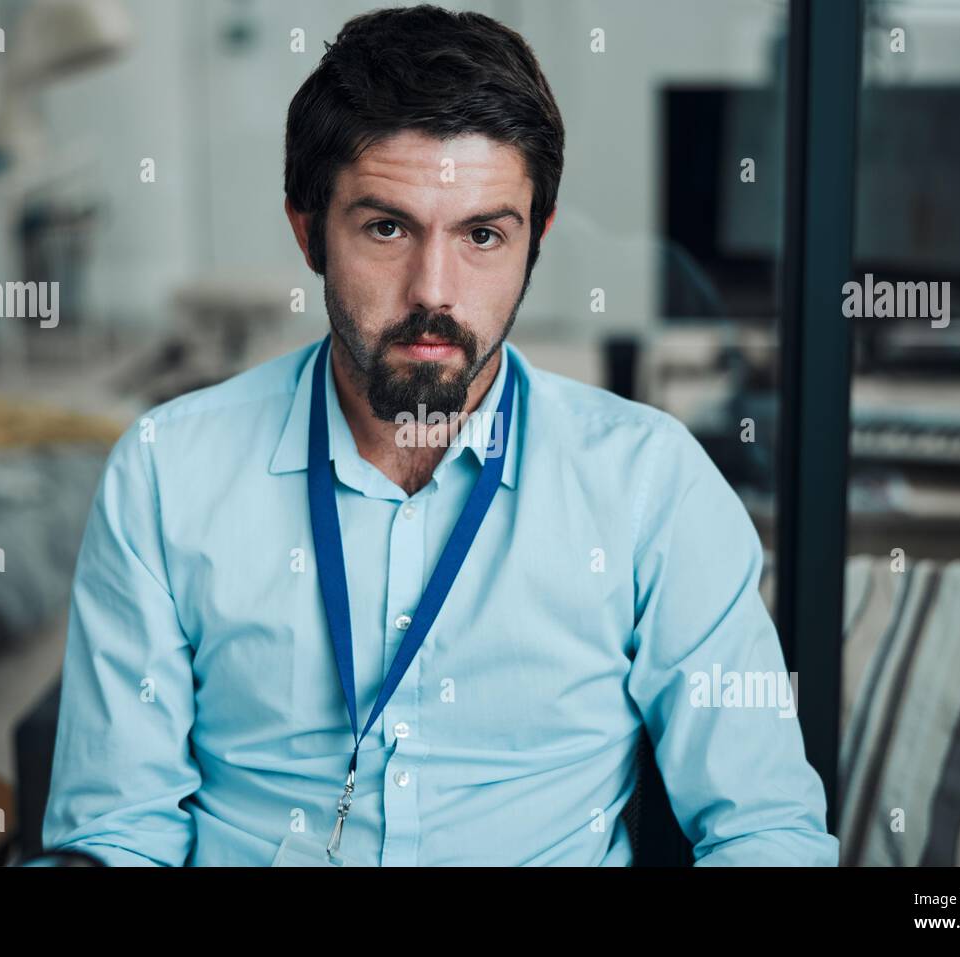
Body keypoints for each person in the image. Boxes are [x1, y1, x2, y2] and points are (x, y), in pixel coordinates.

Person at [43, 4, 838, 866]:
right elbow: (117, 834)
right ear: (308, 231)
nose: (435, 290)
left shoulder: (651, 486)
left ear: (534, 242)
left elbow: (764, 833)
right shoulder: (168, 475)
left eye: (483, 235)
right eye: (386, 227)